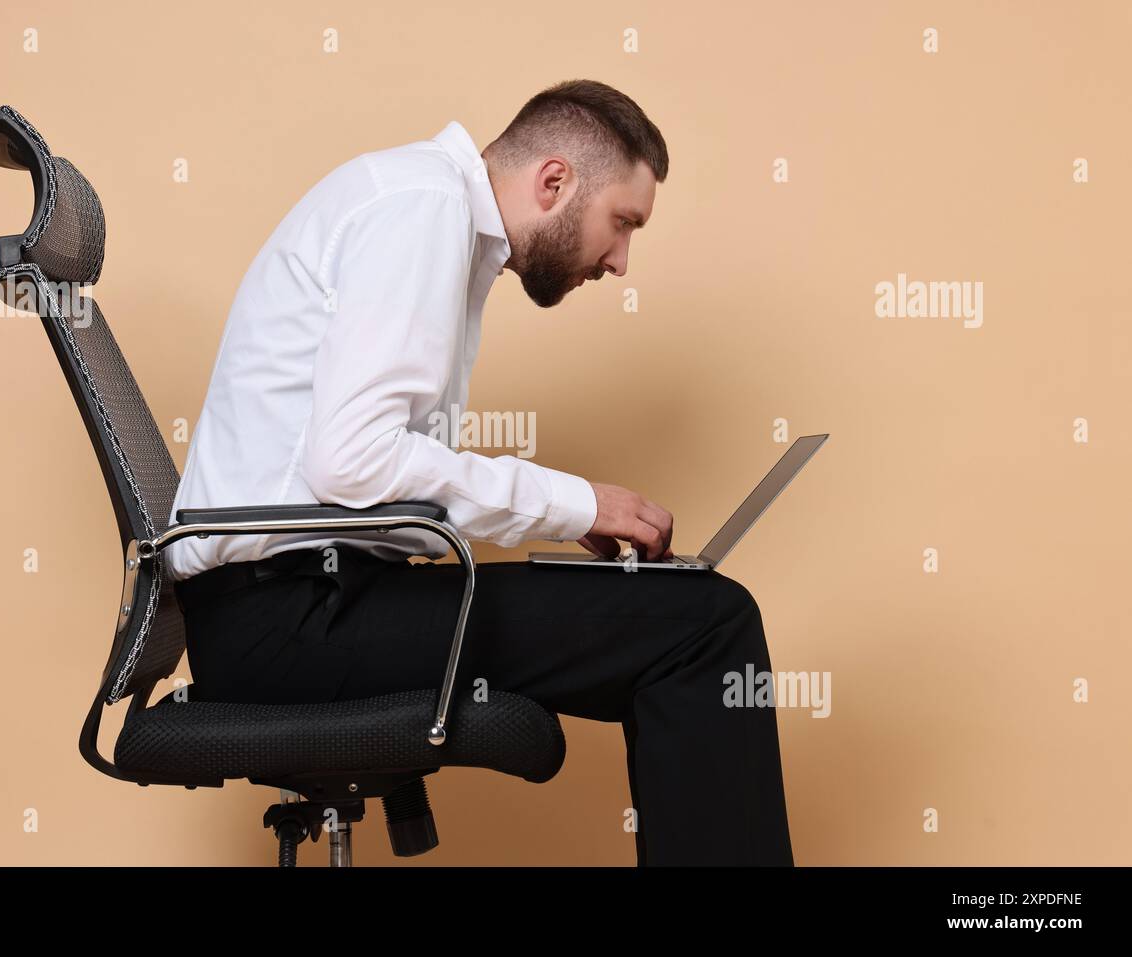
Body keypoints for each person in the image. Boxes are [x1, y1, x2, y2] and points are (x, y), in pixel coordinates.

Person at [167, 79, 794, 866]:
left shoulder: (427, 210)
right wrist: (573, 503)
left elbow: (358, 478)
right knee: (708, 626)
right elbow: (352, 459)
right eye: (622, 222)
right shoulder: (420, 207)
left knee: (673, 617)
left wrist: (569, 523)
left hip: (303, 603)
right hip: (288, 622)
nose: (622, 261)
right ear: (555, 181)